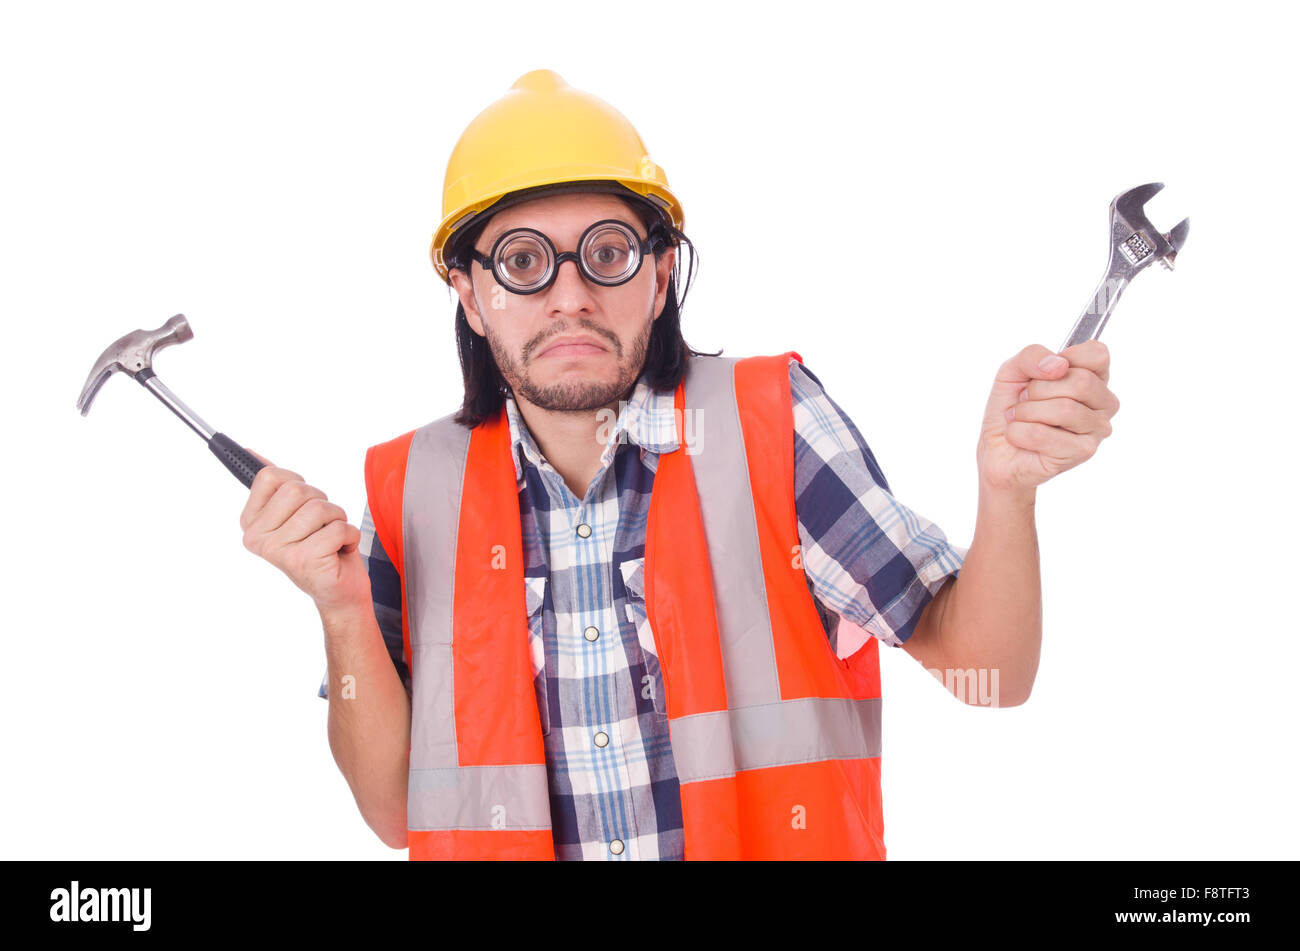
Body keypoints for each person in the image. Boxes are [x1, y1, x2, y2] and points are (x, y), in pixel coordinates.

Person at [239, 70, 1120, 861]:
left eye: (609, 253)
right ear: (470, 295)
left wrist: (1007, 493)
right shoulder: (413, 493)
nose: (571, 294)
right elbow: (396, 812)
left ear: (660, 275)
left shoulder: (773, 425)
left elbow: (993, 673)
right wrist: (343, 609)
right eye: (522, 262)